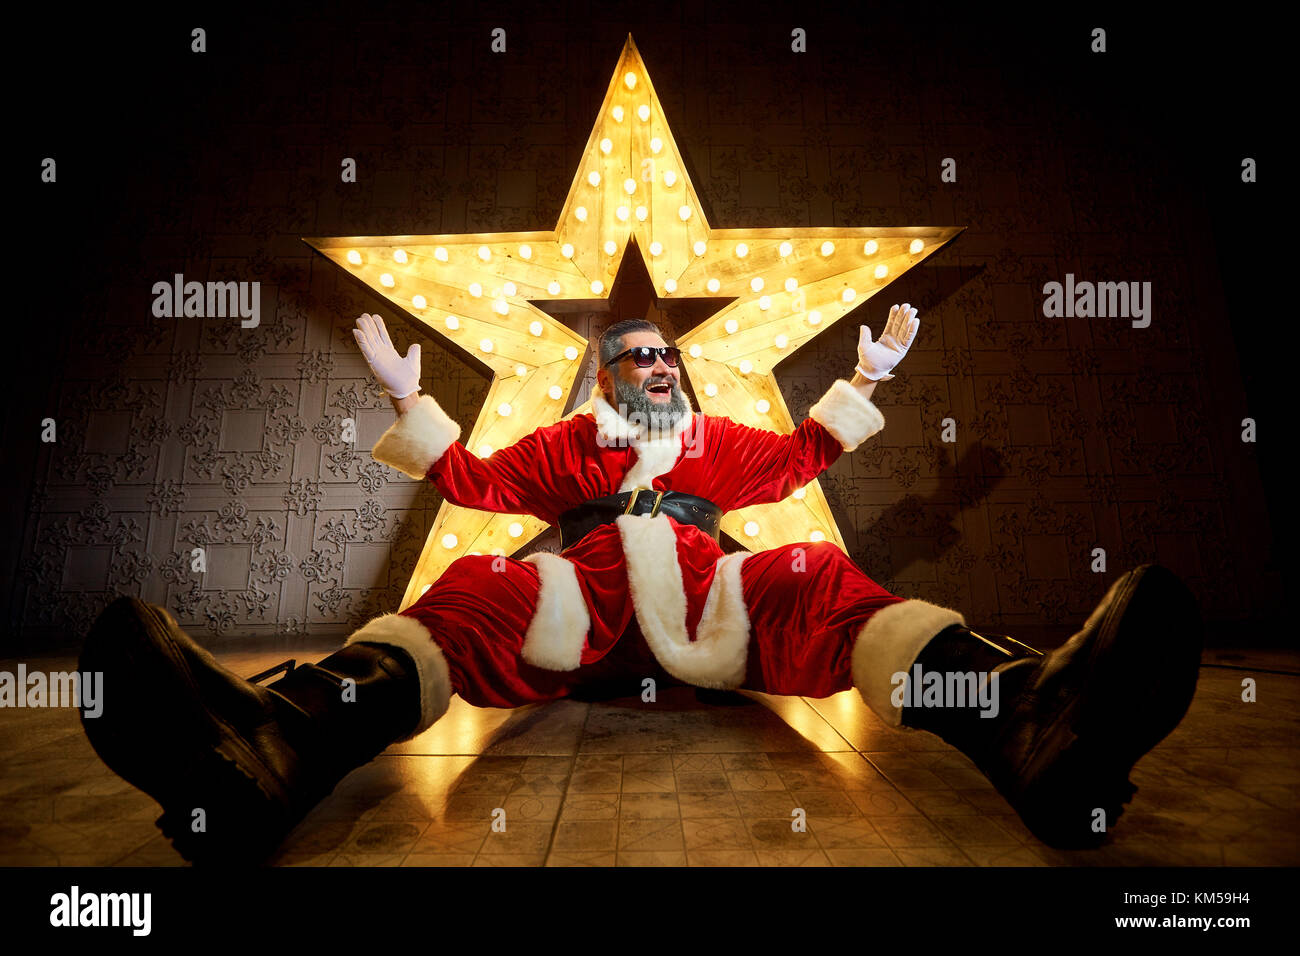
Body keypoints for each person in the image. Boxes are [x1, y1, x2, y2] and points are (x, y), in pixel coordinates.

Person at [78, 305, 1203, 864]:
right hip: (579, 613)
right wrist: (406, 401)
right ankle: (272, 746)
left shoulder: (719, 444)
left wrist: (868, 376)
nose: (655, 364)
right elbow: (468, 476)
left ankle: (1032, 723)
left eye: (665, 354)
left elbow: (805, 454)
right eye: (633, 355)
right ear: (601, 374)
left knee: (815, 573)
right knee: (475, 590)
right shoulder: (562, 447)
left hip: (716, 610)